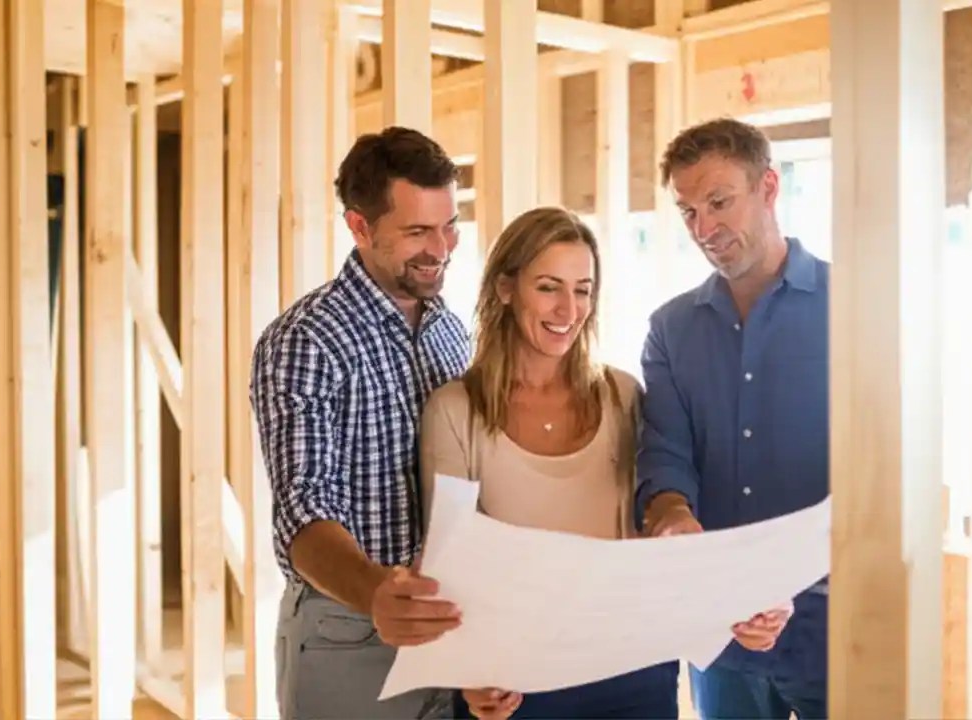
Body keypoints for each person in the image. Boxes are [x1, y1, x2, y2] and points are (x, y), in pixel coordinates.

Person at [419, 206, 680, 720]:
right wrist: (471, 671)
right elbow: (451, 559)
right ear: (505, 289)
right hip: (516, 675)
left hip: (632, 665)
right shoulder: (455, 410)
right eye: (548, 287)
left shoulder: (622, 395)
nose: (568, 308)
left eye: (582, 289)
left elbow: (657, 514)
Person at [250, 126, 473, 720]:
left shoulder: (451, 328)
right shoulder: (307, 340)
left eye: (449, 224)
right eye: (417, 232)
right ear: (359, 226)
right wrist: (377, 594)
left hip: (451, 621)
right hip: (347, 630)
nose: (442, 247)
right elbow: (304, 513)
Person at [636, 117, 830, 719]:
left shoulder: (853, 307)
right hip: (720, 628)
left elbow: (885, 471)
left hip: (840, 620)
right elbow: (665, 453)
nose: (704, 228)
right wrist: (672, 517)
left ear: (769, 187)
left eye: (719, 202)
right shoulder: (670, 329)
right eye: (688, 211)